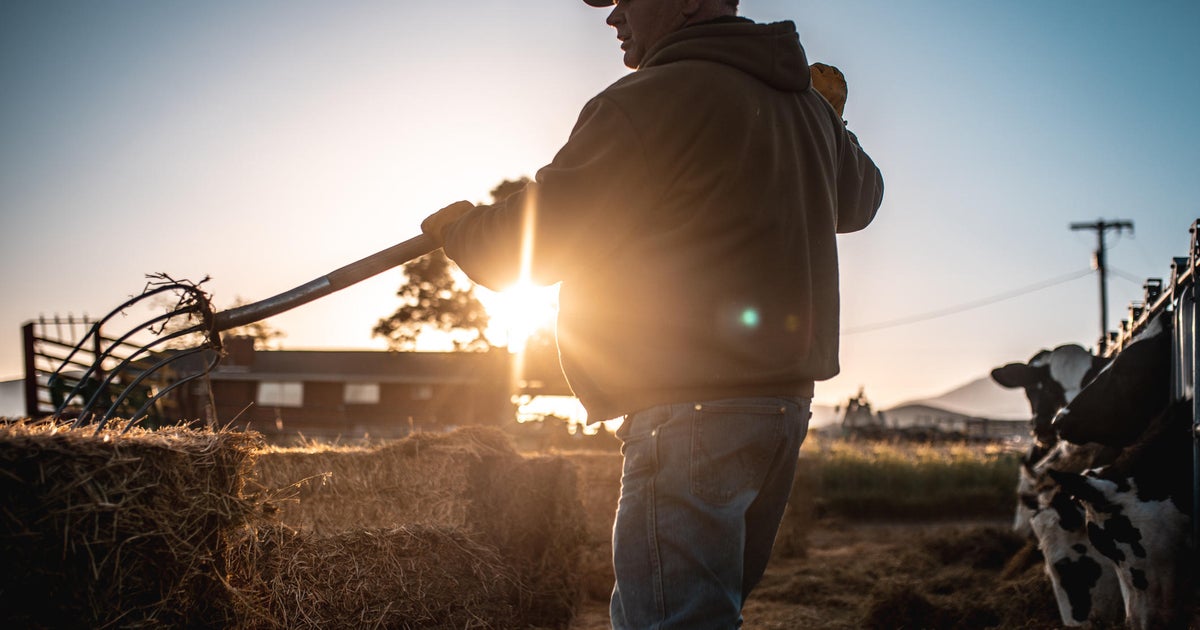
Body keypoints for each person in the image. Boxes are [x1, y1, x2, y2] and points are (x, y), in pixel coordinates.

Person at [421, 0, 883, 626]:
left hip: (688, 415)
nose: (613, 18)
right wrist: (830, 121)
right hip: (779, 413)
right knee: (700, 612)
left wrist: (459, 229)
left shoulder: (647, 101)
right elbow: (859, 200)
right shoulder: (805, 108)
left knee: (671, 620)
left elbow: (525, 248)